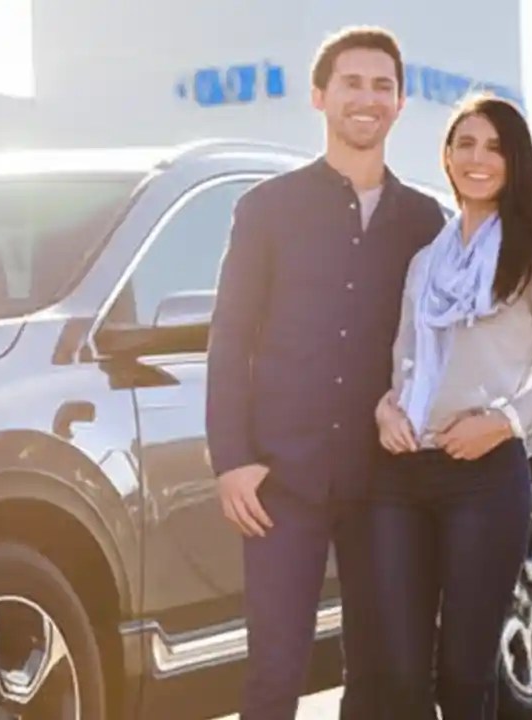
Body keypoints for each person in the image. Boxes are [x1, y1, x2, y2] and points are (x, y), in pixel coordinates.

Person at [205, 25, 446, 720]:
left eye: (382, 86)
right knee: (274, 674)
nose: (366, 99)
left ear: (400, 104)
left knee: (384, 677)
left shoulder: (424, 222)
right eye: (351, 83)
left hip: (387, 486)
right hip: (281, 482)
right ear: (320, 96)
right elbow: (230, 339)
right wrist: (233, 460)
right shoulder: (266, 210)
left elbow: (440, 347)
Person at [371, 93, 532, 718]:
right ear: (446, 156)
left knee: (467, 677)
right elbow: (404, 365)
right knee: (399, 671)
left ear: (515, 161)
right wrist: (385, 410)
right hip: (402, 473)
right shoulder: (426, 262)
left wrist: (504, 423)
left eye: (494, 147)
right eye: (465, 143)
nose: (478, 158)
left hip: (485, 478)